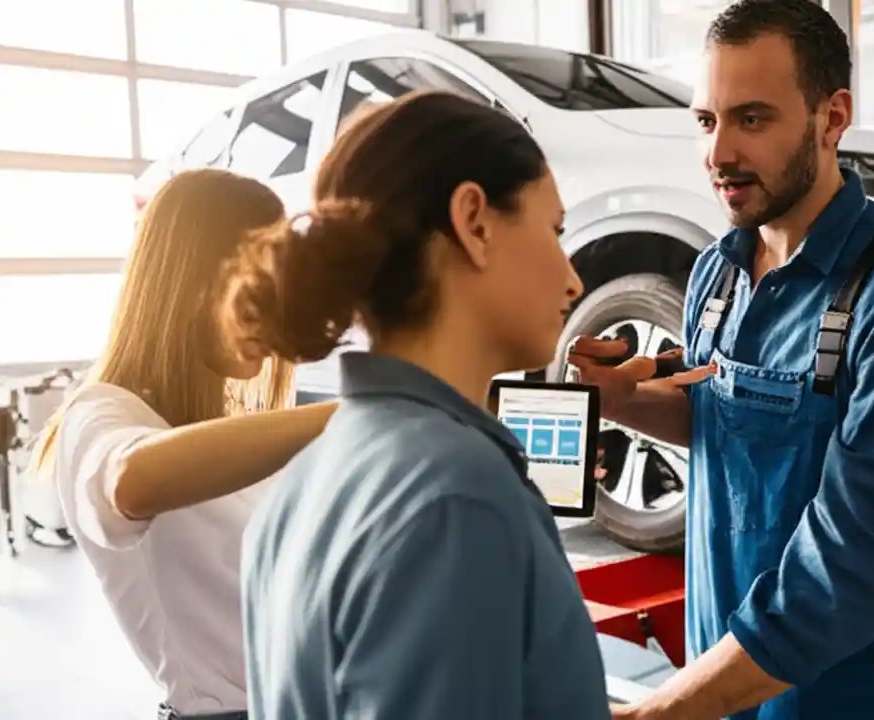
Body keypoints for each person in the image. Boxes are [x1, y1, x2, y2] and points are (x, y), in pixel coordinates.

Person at [569, 1, 874, 718]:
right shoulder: (713, 277)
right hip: (720, 683)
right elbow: (727, 424)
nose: (718, 153)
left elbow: (851, 565)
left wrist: (665, 711)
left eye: (751, 119)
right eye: (707, 121)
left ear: (832, 117)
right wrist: (626, 400)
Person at [227, 90, 611, 719]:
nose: (574, 278)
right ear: (475, 222)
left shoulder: (302, 482)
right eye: (553, 229)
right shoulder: (458, 498)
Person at [30, 169, 338, 719]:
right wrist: (359, 414)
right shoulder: (101, 414)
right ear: (189, 283)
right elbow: (132, 479)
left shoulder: (230, 423)